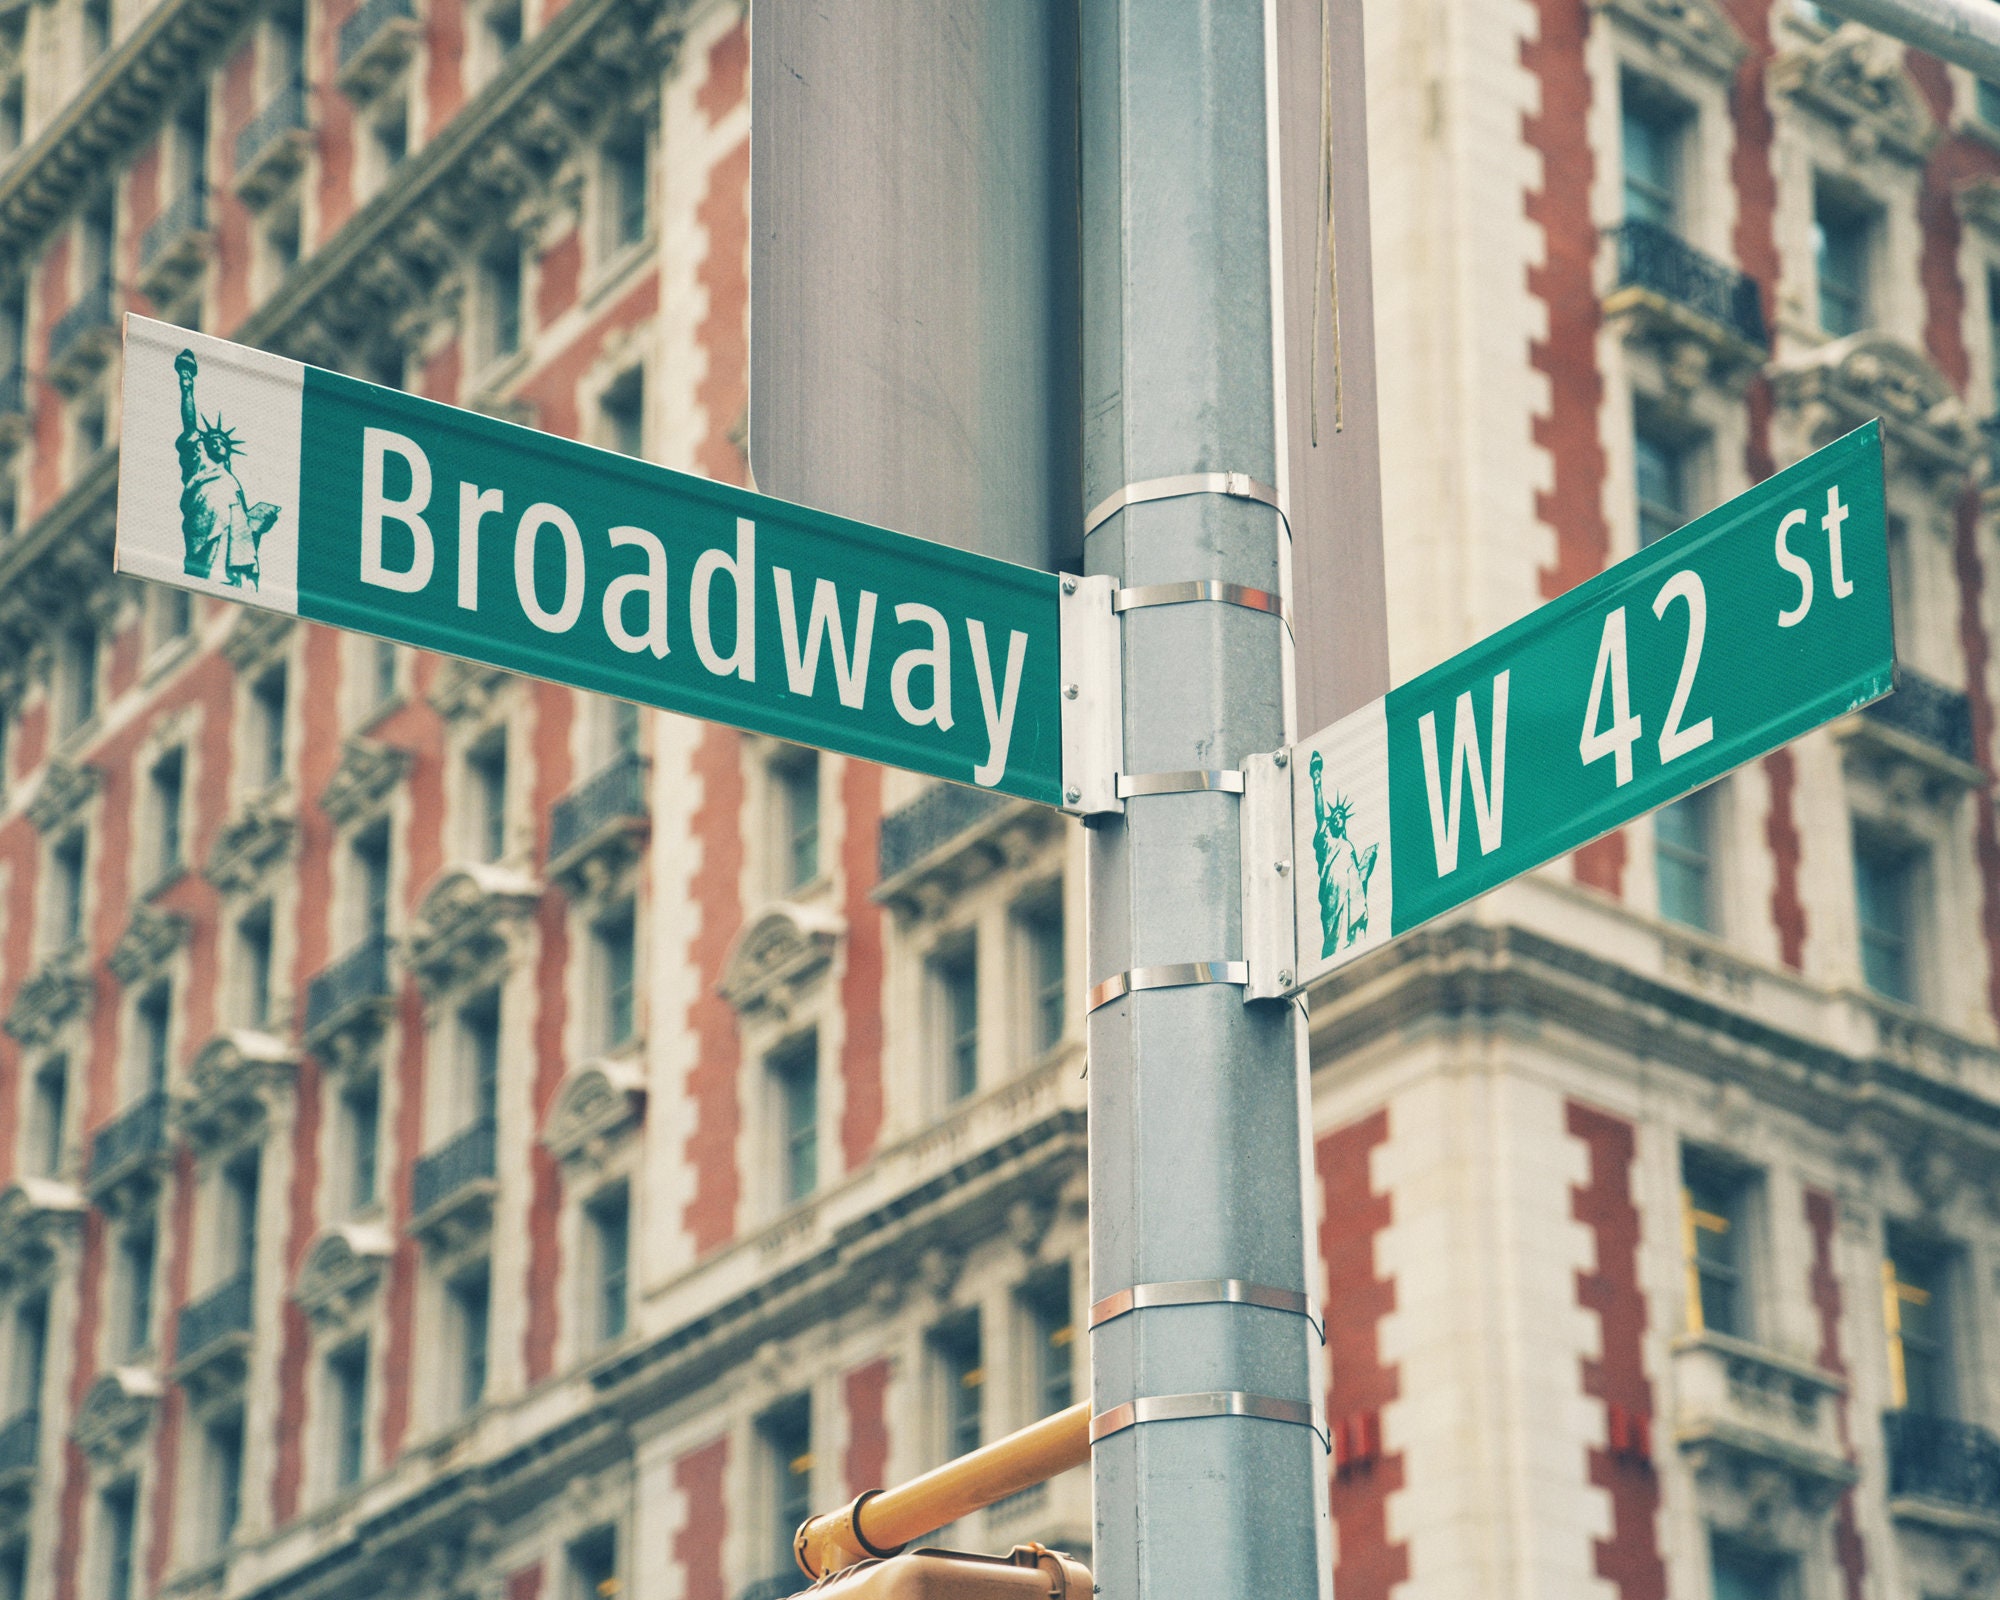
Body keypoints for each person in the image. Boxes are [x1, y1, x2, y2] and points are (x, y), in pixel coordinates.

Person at [175, 347, 280, 588]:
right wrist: (187, 387)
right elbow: (190, 428)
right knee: (206, 571)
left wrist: (256, 520)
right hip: (203, 528)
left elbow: (243, 533)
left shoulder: (233, 482)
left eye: (222, 441)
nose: (218, 443)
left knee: (229, 575)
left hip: (231, 539)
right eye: (213, 441)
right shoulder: (199, 462)